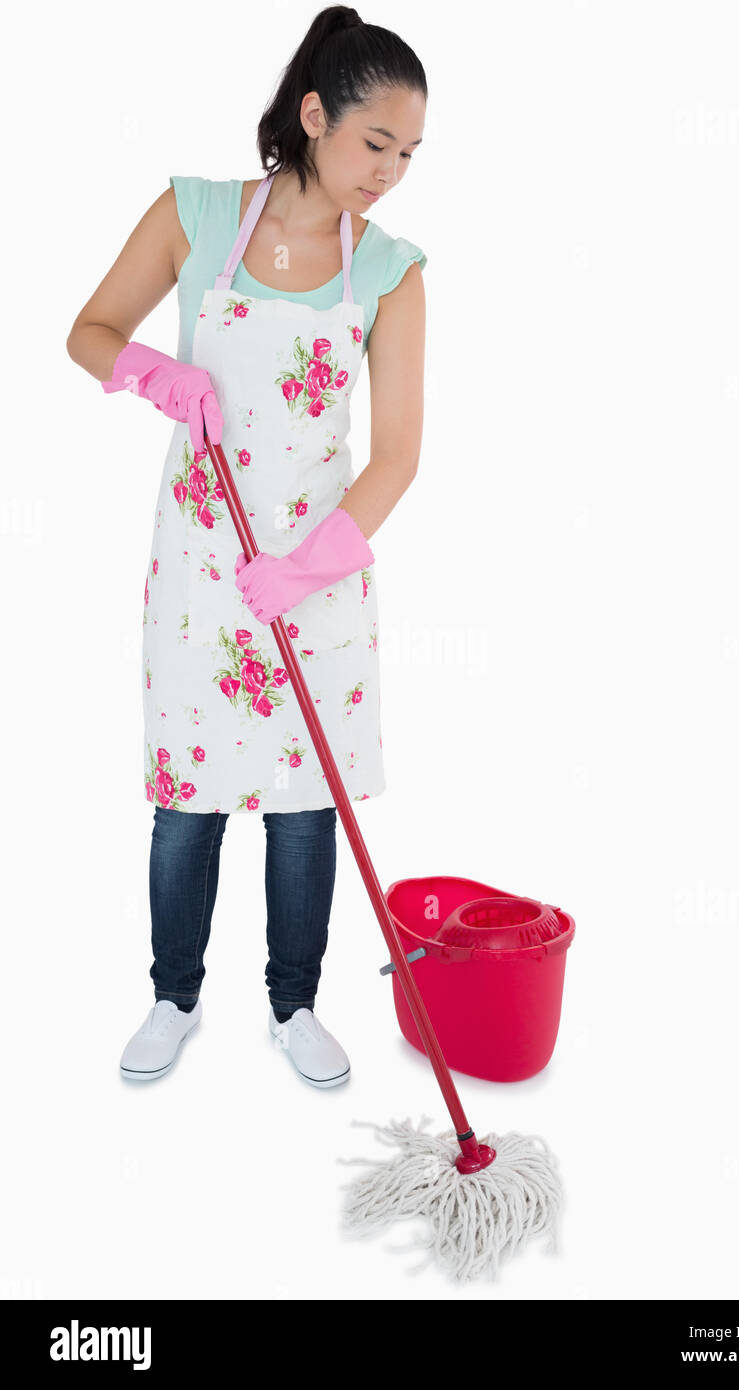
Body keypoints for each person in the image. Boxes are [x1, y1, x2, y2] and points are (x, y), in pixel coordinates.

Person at [66, 5, 427, 1088]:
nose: (391, 172)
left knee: (303, 799)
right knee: (190, 792)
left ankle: (294, 1003)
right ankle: (174, 994)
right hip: (199, 571)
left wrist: (308, 566)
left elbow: (398, 455)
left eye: (408, 153)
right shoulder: (196, 215)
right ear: (314, 115)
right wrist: (152, 374)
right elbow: (86, 330)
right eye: (376, 144)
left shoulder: (390, 270)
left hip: (311, 577)